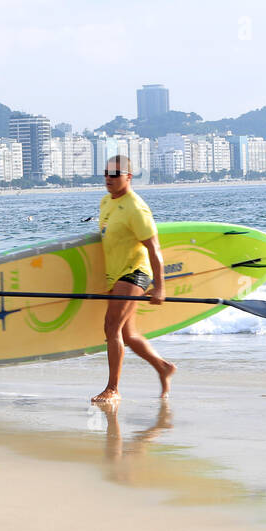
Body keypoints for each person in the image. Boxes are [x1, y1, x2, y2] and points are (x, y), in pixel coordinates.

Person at [92, 155, 176, 403]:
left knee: (111, 327)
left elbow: (154, 249)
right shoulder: (106, 202)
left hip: (135, 273)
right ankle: (163, 367)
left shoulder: (135, 208)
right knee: (127, 334)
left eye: (115, 174)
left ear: (128, 177)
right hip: (115, 274)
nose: (109, 178)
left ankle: (113, 389)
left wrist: (160, 287)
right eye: (106, 173)